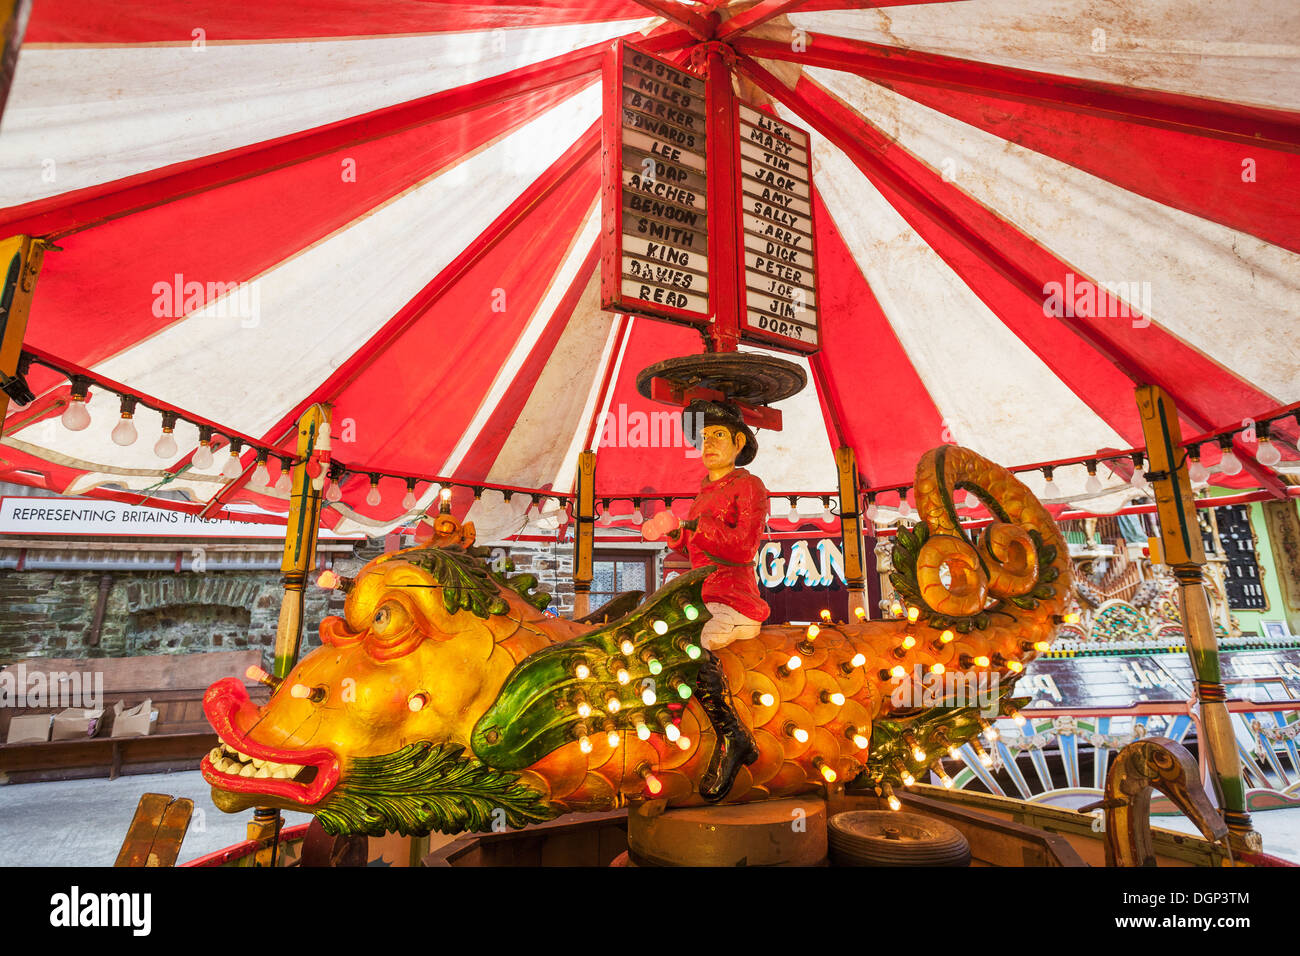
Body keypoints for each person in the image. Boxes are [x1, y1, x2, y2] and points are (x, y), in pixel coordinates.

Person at [642, 399, 767, 800]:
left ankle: (733, 738)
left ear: (738, 442)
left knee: (688, 648)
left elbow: (743, 547)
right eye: (703, 436)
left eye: (717, 436)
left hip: (733, 599)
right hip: (703, 594)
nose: (707, 443)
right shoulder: (704, 492)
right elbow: (697, 548)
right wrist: (675, 533)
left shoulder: (748, 486)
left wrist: (692, 527)